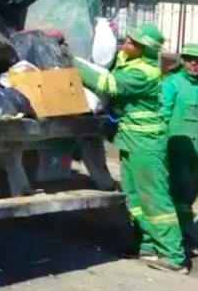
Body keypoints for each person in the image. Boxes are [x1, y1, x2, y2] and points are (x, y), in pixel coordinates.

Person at [76, 24, 188, 274]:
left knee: (154, 198)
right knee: (134, 198)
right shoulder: (130, 61)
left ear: (145, 48)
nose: (125, 44)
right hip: (130, 140)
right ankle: (147, 243)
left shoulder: (143, 73)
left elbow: (107, 84)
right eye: (126, 39)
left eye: (132, 42)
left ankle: (173, 254)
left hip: (146, 144)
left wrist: (71, 62)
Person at [164, 43, 198, 255]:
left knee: (191, 192)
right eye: (189, 59)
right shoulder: (172, 83)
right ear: (182, 61)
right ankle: (178, 232)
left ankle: (185, 229)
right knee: (178, 189)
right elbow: (164, 113)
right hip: (178, 149)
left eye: (197, 60)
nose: (194, 63)